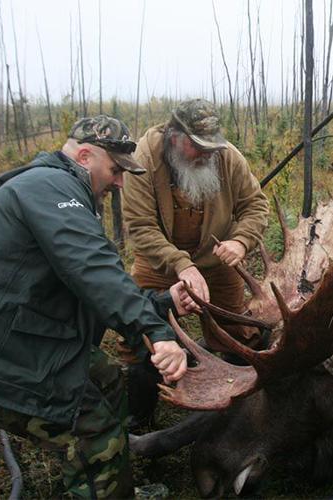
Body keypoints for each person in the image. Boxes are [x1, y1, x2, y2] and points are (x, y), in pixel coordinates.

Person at [0, 115, 194, 499]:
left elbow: (86, 284)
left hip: (14, 334)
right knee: (93, 428)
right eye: (115, 170)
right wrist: (156, 334)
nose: (120, 182)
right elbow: (91, 266)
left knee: (106, 375)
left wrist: (161, 304)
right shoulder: (50, 187)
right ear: (85, 155)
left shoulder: (57, 189)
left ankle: (103, 483)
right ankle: (102, 481)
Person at [121, 98, 269, 425]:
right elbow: (140, 226)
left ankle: (243, 413)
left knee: (240, 333)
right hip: (159, 263)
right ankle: (140, 419)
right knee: (141, 334)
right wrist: (180, 264)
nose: (207, 154)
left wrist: (240, 241)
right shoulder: (143, 159)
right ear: (175, 138)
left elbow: (256, 206)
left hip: (216, 262)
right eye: (198, 147)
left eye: (211, 146)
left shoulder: (226, 157)